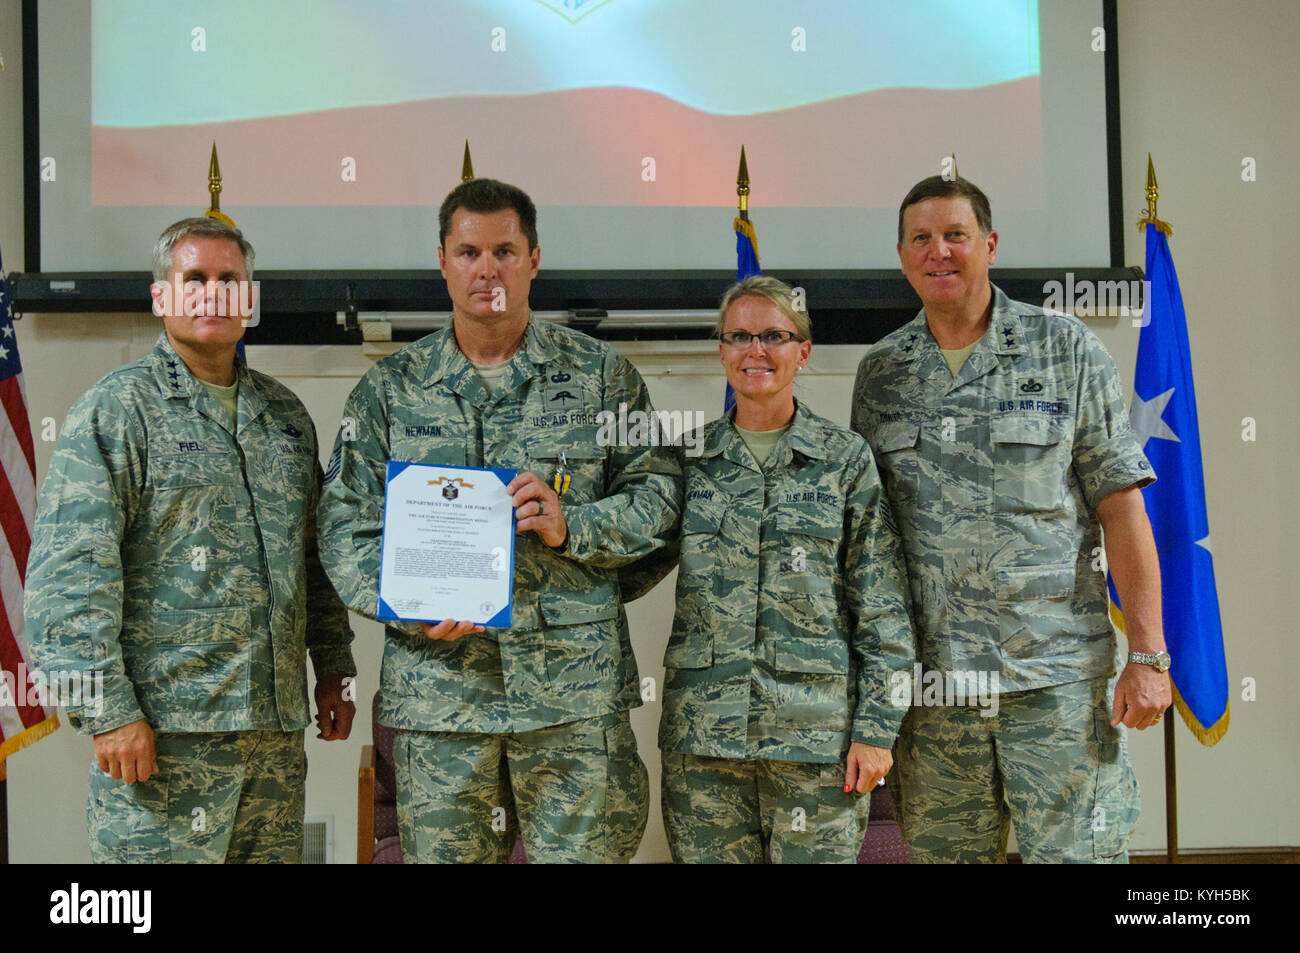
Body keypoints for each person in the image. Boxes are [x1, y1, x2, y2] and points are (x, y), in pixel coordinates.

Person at [317, 178, 681, 864]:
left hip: (573, 703)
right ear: (443, 261)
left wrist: (576, 523)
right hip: (443, 704)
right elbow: (344, 530)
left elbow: (661, 502)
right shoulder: (387, 390)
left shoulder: (604, 377)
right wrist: (407, 605)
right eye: (469, 252)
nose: (488, 270)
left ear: (534, 259)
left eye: (505, 251)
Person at [851, 175, 1172, 863]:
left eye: (956, 235)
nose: (939, 251)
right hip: (936, 692)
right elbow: (872, 543)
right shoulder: (881, 373)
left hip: (1053, 683)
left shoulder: (1067, 348)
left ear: (989, 244)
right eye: (921, 238)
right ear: (903, 256)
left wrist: (1147, 653)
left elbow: (1122, 505)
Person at [25, 217, 357, 863]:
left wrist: (335, 670)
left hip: (274, 736)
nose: (213, 293)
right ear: (162, 297)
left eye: (229, 279)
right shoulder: (117, 411)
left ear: (249, 300)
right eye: (194, 278)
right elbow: (68, 580)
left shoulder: (285, 417)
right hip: (165, 739)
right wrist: (108, 712)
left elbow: (313, 562)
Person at [641, 275, 915, 863]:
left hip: (817, 742)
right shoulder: (686, 460)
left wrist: (876, 730)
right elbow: (626, 558)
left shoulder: (844, 461)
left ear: (803, 351)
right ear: (721, 350)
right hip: (704, 746)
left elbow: (883, 604)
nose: (755, 350)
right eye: (738, 336)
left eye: (773, 335)